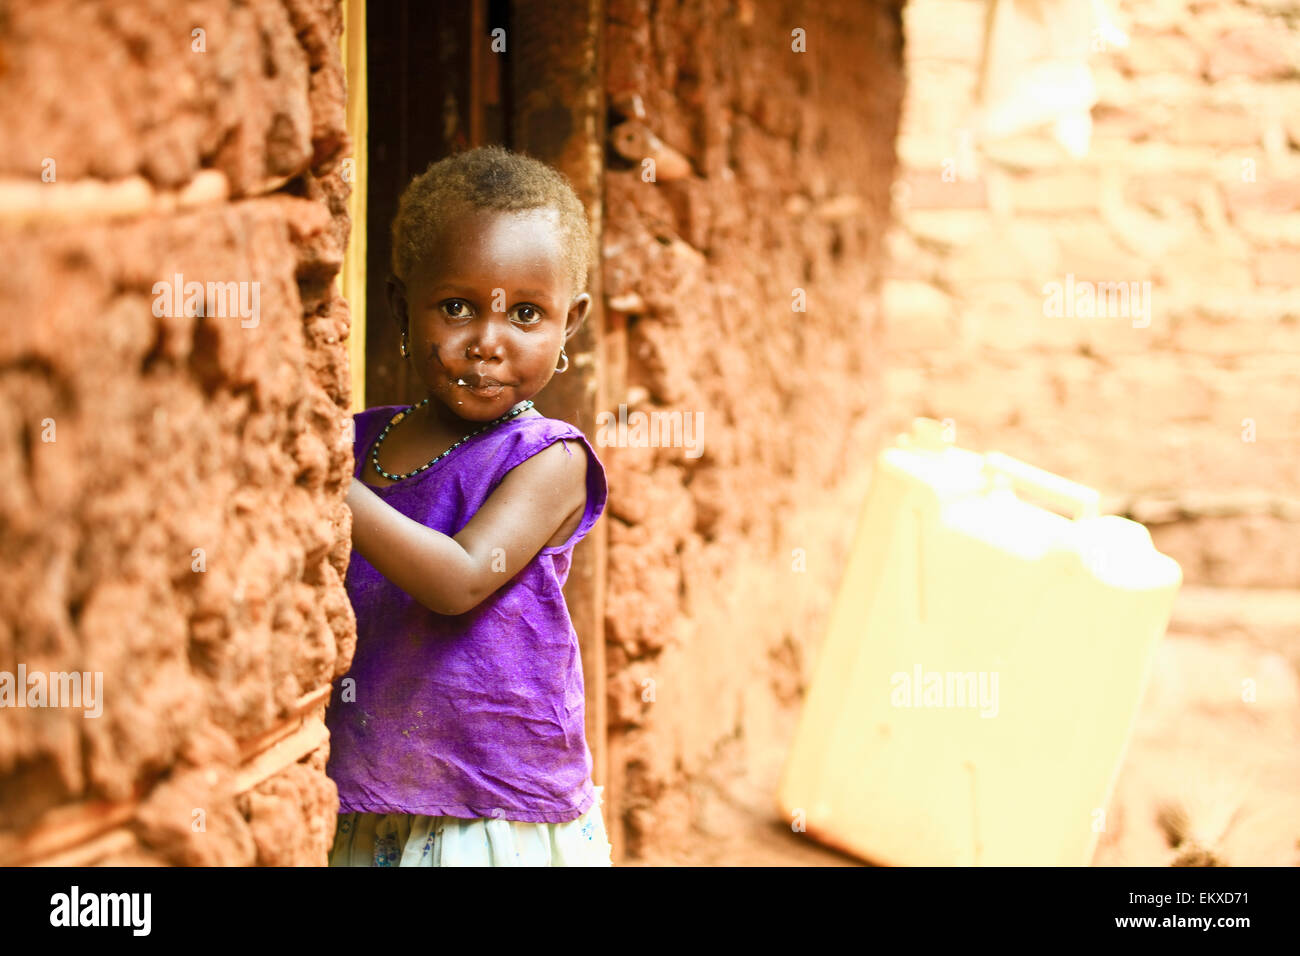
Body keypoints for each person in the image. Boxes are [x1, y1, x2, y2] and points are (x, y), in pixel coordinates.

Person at [326, 145, 612, 866]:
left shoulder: (550, 460)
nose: (488, 342)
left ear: (569, 322)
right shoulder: (362, 440)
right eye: (456, 307)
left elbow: (457, 578)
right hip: (370, 787)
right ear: (401, 305)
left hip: (488, 808)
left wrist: (324, 479)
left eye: (526, 313)